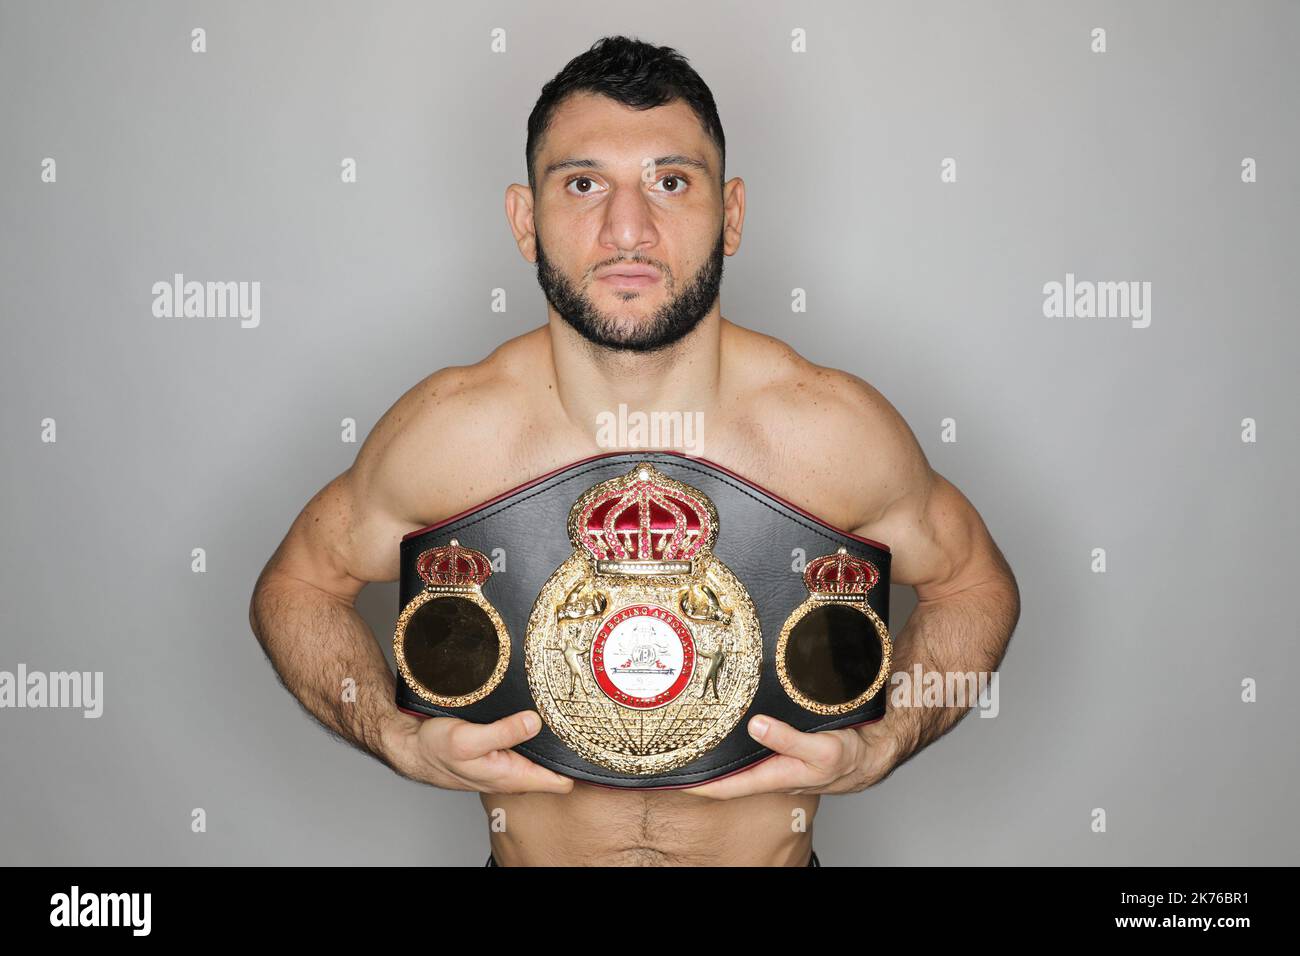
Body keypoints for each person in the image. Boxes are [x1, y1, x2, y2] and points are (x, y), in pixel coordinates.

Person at [249, 35, 1019, 867]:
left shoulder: (828, 429)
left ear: (729, 216)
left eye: (670, 182)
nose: (628, 228)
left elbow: (974, 586)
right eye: (583, 184)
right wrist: (394, 735)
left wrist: (888, 740)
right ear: (523, 218)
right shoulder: (452, 430)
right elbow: (295, 589)